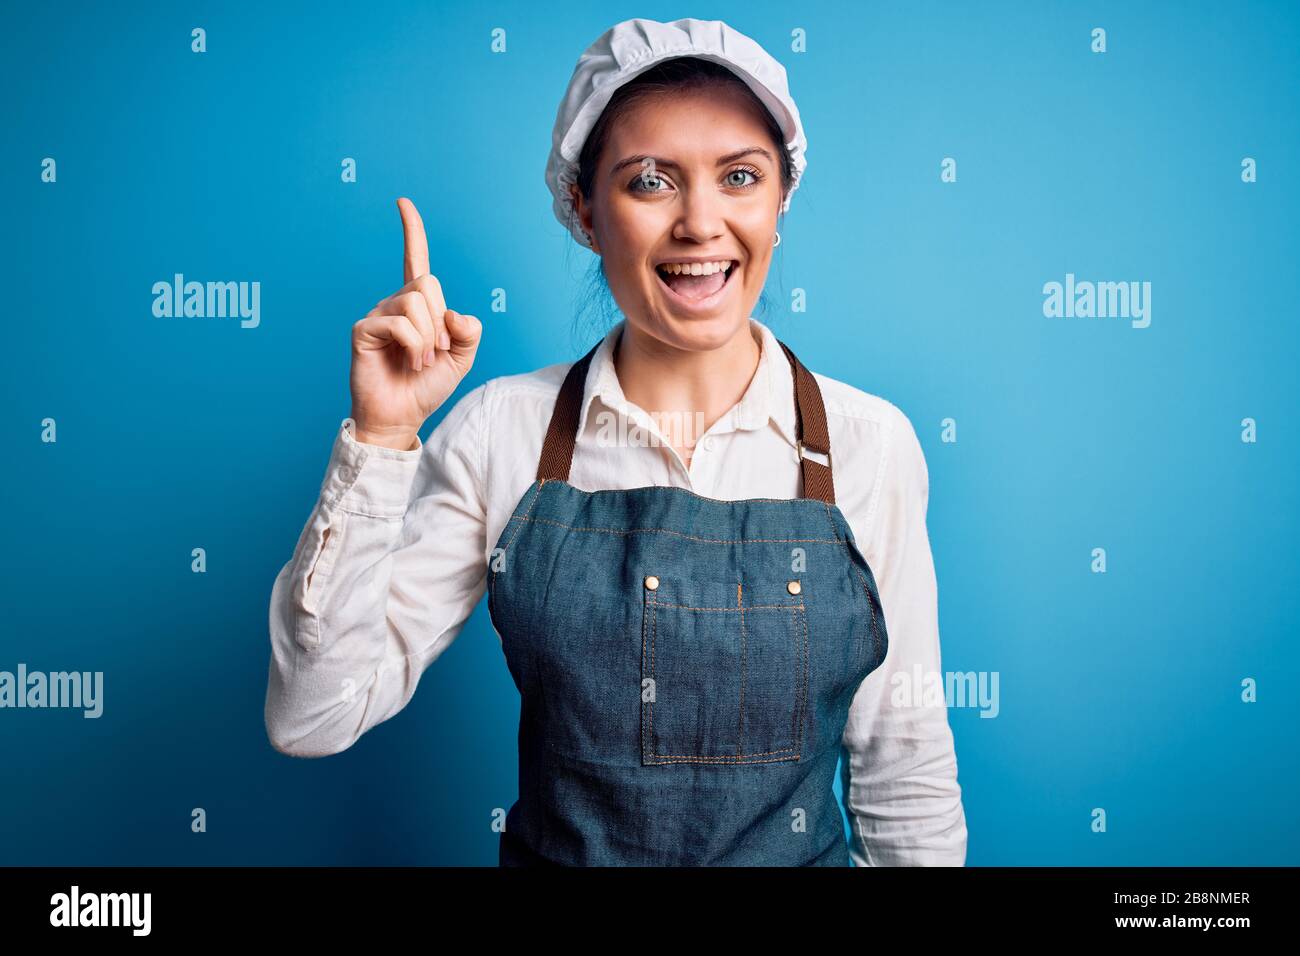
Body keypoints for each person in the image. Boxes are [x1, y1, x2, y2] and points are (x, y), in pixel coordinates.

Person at [265, 17, 968, 866]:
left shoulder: (869, 444)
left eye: (739, 177)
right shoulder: (503, 431)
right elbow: (312, 717)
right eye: (651, 183)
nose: (701, 222)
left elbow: (906, 770)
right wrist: (381, 437)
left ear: (780, 200)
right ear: (585, 211)